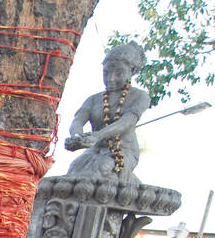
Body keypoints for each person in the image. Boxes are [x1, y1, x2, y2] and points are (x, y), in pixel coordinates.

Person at [64, 42, 150, 182]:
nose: (111, 78)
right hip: (96, 150)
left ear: (132, 71)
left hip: (122, 150)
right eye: (106, 73)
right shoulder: (93, 100)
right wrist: (77, 137)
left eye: (119, 73)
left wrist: (98, 136)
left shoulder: (140, 97)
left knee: (103, 168)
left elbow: (126, 123)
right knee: (74, 168)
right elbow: (78, 120)